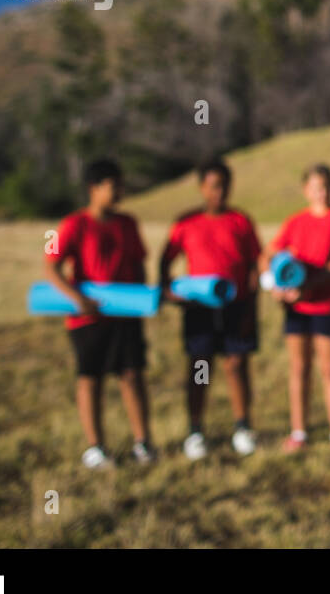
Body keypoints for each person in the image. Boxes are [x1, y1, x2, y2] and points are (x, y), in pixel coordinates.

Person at [45, 158, 155, 469]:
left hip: (125, 315)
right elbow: (51, 265)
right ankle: (96, 446)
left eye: (121, 184)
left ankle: (143, 442)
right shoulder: (73, 225)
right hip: (87, 318)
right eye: (114, 185)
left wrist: (141, 300)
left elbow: (138, 263)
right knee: (90, 378)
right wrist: (76, 298)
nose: (120, 191)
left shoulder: (128, 223)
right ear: (94, 189)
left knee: (132, 375)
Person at [159, 158, 262, 459]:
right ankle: (195, 431)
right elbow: (166, 260)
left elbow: (255, 264)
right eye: (215, 186)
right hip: (199, 308)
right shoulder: (186, 222)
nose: (220, 192)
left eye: (225, 186)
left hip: (236, 304)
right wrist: (168, 289)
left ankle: (243, 427)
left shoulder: (241, 221)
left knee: (236, 365)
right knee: (199, 368)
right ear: (202, 187)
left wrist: (250, 307)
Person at [260, 164, 330, 454]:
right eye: (315, 187)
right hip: (296, 308)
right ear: (305, 190)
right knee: (298, 369)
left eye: (325, 186)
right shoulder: (294, 221)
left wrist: (309, 285)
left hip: (327, 306)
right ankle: (299, 432)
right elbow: (269, 254)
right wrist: (273, 284)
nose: (321, 192)